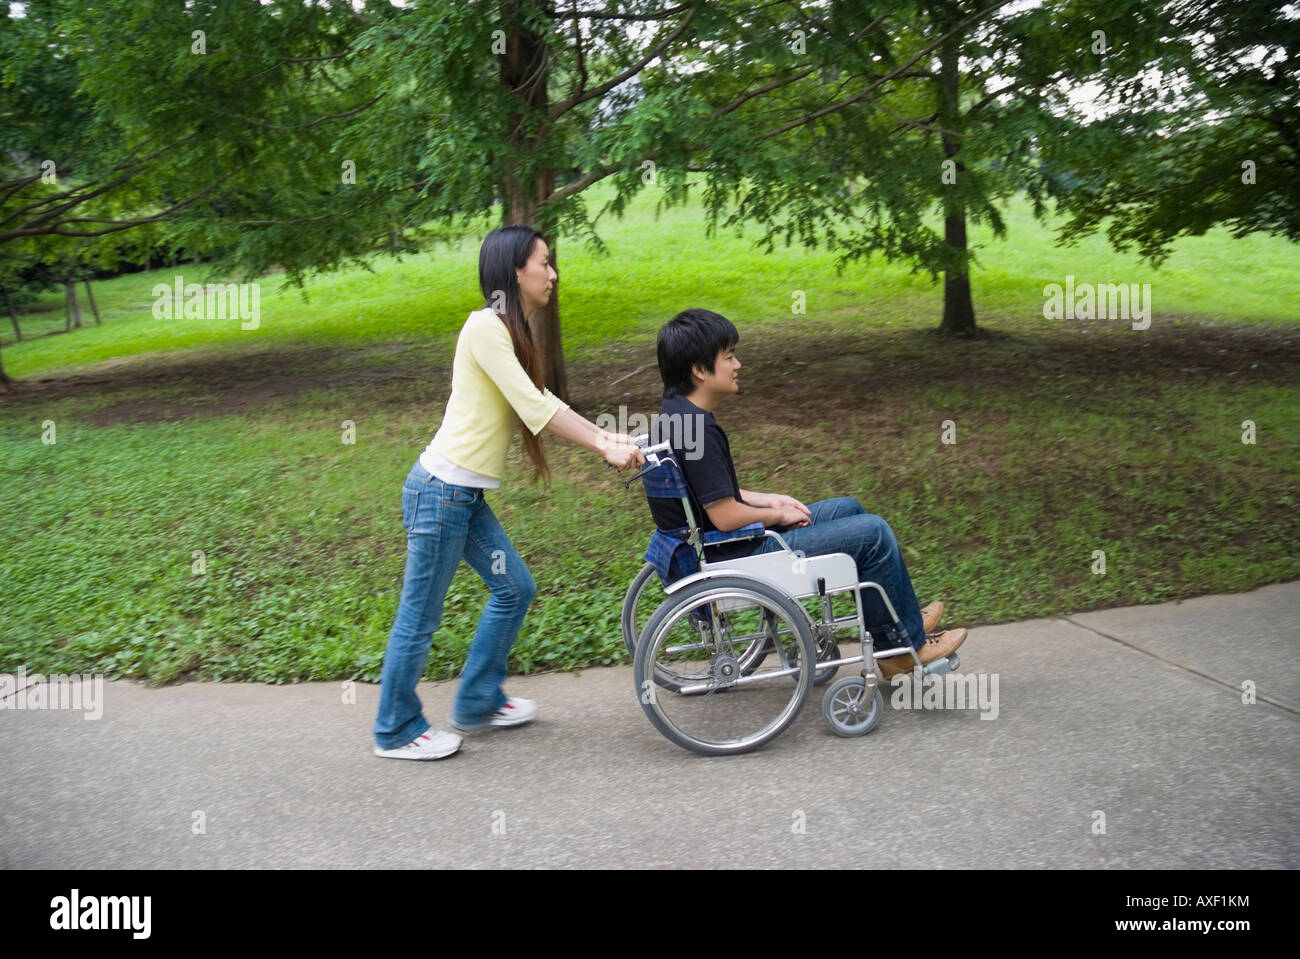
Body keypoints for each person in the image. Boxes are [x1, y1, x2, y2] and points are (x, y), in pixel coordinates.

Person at [372, 225, 644, 761]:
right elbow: (534, 407)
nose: (553, 274)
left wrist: (608, 436)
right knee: (420, 616)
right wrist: (602, 447)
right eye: (545, 263)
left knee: (514, 588)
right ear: (515, 270)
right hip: (440, 494)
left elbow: (539, 397)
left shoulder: (506, 332)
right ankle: (395, 728)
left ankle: (476, 700)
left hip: (461, 497)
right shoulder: (483, 327)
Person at [646, 308, 966, 677]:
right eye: (729, 356)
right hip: (740, 551)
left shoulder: (675, 416)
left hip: (718, 543)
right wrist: (777, 516)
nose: (739, 364)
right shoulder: (699, 428)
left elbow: (709, 493)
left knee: (848, 508)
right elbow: (724, 514)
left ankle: (895, 621)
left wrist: (768, 499)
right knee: (873, 533)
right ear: (699, 370)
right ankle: (899, 647)